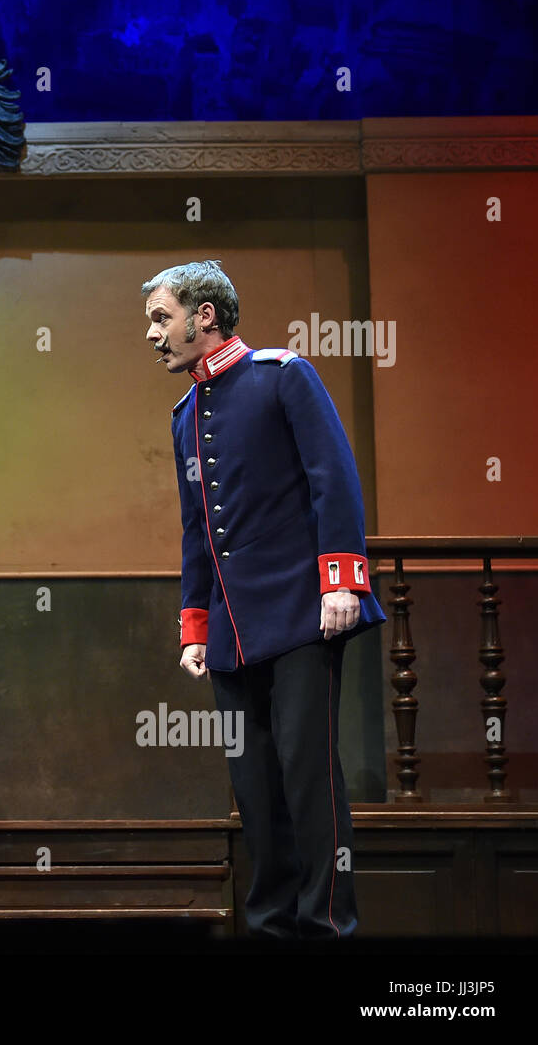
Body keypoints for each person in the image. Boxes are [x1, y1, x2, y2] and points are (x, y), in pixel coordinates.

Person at [143, 260, 384, 939]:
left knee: (309, 779)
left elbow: (332, 479)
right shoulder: (185, 412)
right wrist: (195, 626)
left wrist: (340, 580)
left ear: (205, 315)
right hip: (231, 631)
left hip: (303, 614)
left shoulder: (283, 375)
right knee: (254, 789)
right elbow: (197, 529)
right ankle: (272, 925)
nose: (153, 334)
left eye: (163, 317)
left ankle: (327, 924)